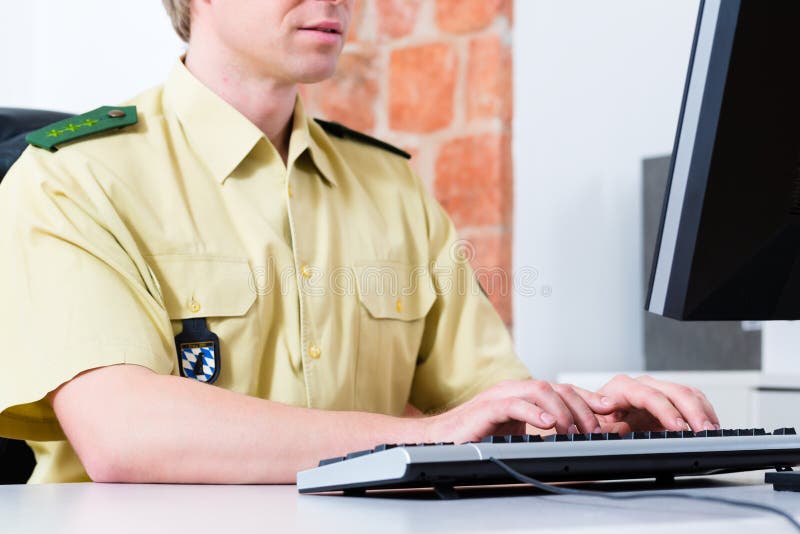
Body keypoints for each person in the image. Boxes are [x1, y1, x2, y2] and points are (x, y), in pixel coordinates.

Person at [0, 0, 719, 484]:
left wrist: (592, 423)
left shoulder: (389, 185)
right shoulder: (74, 176)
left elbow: (488, 405)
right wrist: (431, 436)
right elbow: (124, 433)